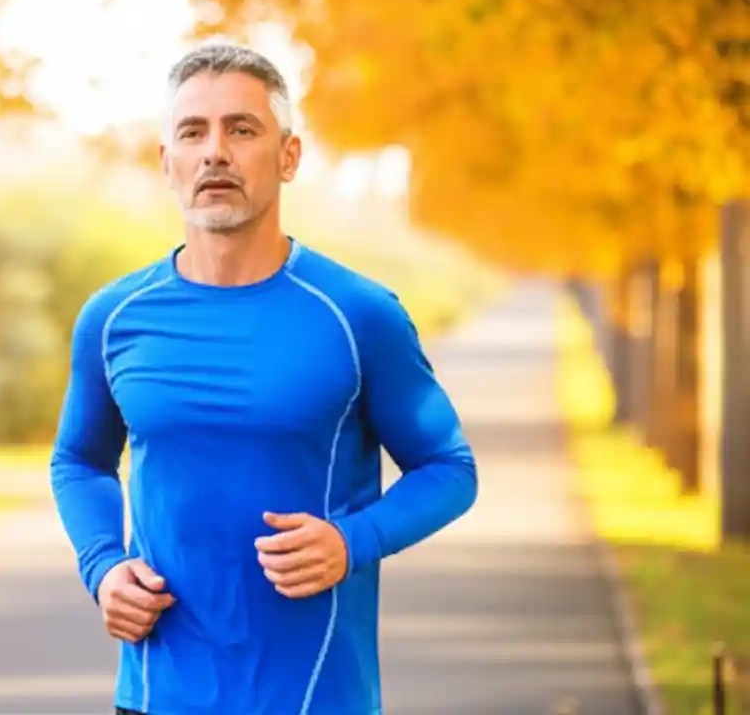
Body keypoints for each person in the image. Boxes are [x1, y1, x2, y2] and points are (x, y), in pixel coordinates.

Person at [49, 42, 478, 715]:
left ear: (288, 156)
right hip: (156, 695)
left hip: (315, 697)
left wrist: (351, 541)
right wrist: (102, 567)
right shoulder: (112, 318)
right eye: (193, 132)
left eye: (241, 129)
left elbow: (449, 468)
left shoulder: (358, 316)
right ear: (168, 164)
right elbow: (78, 460)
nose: (215, 151)